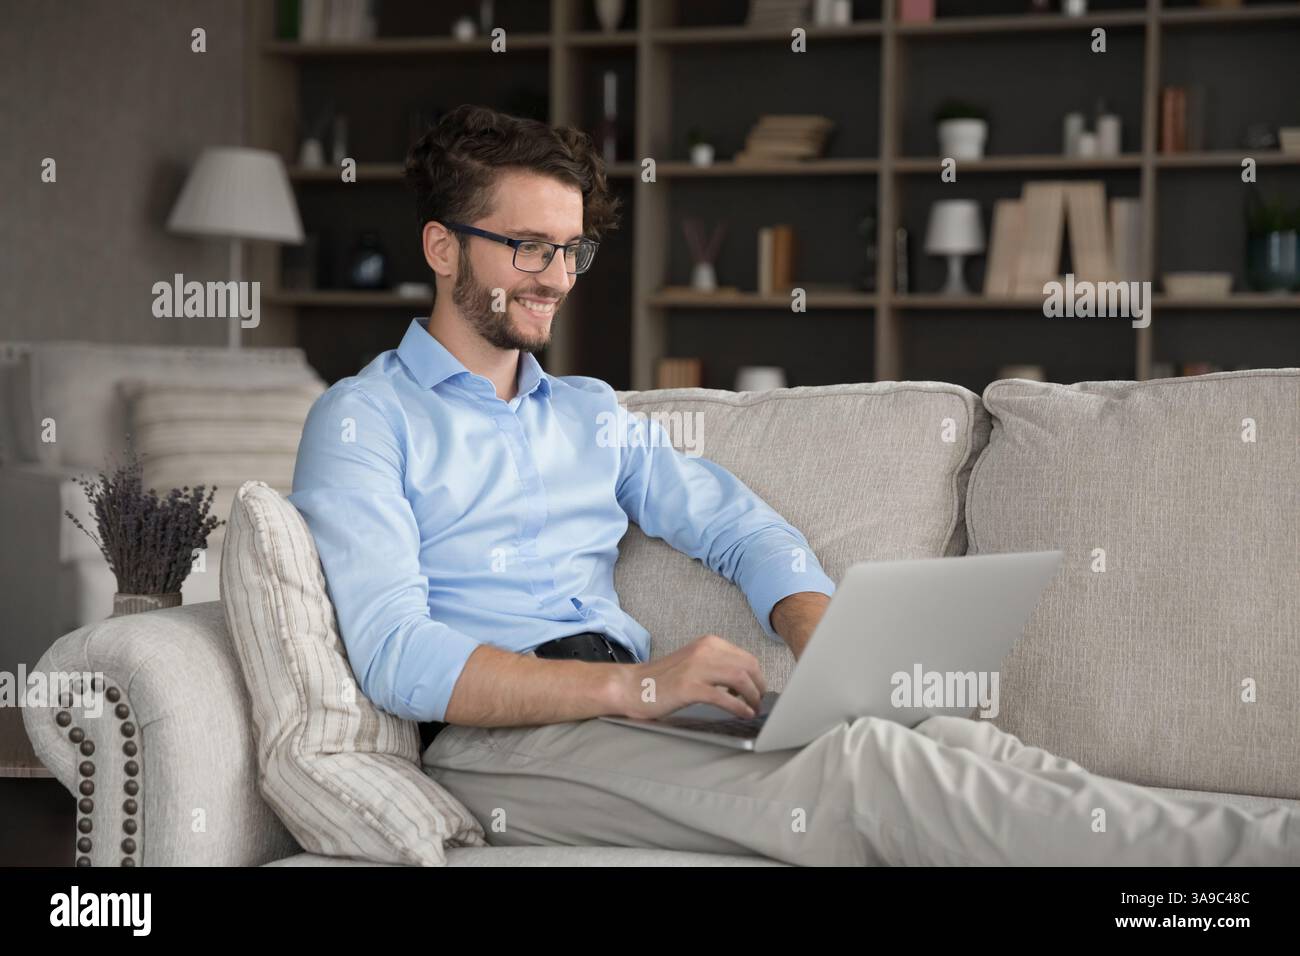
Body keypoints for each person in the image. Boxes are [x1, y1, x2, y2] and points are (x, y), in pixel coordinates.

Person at [289, 104, 1299, 866]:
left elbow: (731, 520)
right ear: (441, 246)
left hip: (628, 716)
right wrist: (637, 684)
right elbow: (395, 652)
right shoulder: (365, 417)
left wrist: (812, 618)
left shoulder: (586, 408)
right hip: (502, 745)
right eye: (529, 247)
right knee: (867, 773)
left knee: (927, 731)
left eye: (571, 249)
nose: (556, 275)